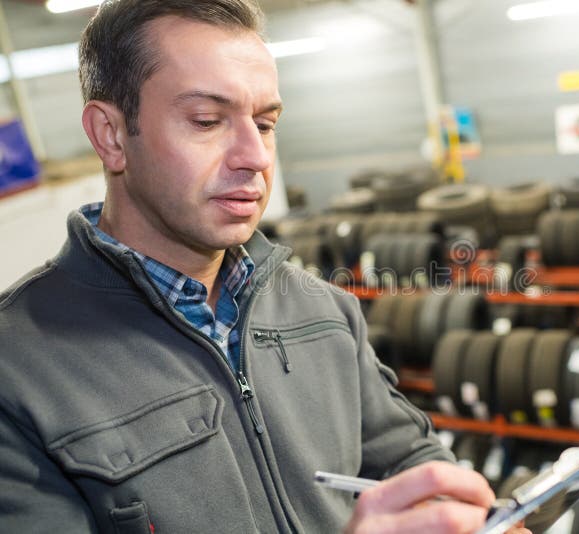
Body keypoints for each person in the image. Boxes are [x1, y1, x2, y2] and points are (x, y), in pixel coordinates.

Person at [0, 1, 530, 532]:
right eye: (207, 121)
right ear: (111, 135)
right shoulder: (18, 369)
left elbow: (405, 459)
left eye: (266, 122)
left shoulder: (323, 309)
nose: (254, 155)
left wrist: (468, 515)